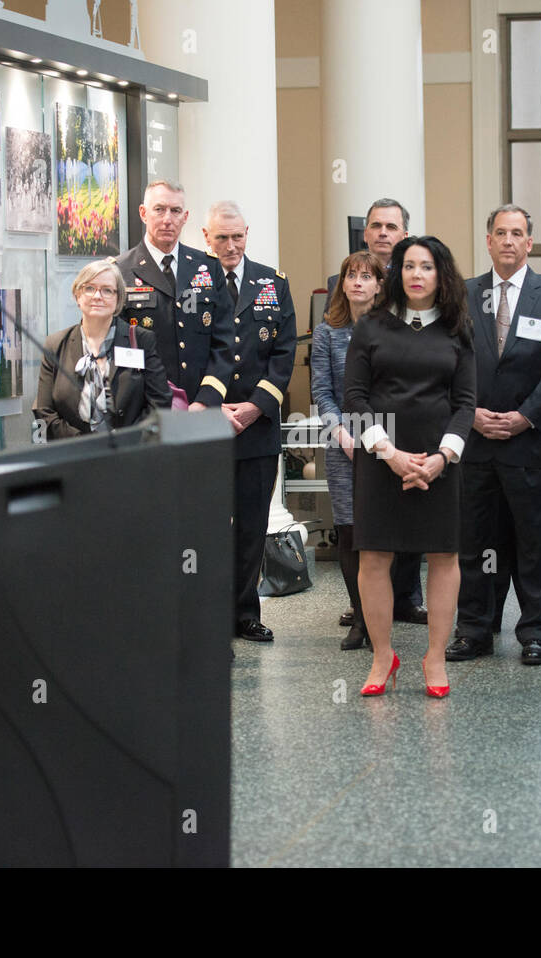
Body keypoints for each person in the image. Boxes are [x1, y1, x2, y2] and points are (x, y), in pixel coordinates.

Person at [344, 236, 475, 698]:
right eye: (409, 266)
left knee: (443, 556)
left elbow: (465, 403)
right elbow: (354, 402)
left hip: (441, 459)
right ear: (397, 273)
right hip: (382, 460)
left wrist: (441, 459)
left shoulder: (458, 328)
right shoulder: (371, 327)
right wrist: (391, 454)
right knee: (375, 555)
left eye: (427, 266)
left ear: (442, 274)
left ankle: (434, 656)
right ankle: (384, 655)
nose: (417, 274)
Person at [446, 204, 541, 666]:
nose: (507, 241)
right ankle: (475, 628)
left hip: (530, 438)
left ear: (529, 243)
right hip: (475, 438)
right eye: (500, 232)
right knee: (476, 540)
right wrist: (470, 414)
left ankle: (537, 630)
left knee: (534, 540)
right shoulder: (463, 294)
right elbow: (453, 363)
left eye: (516, 233)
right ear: (487, 240)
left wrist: (524, 417)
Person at [328, 198, 427, 625]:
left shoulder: (417, 281)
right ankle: (368, 603)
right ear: (365, 232)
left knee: (407, 516)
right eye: (375, 226)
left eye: (391, 226)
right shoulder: (342, 282)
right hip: (355, 421)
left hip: (404, 418)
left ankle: (405, 597)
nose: (383, 233)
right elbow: (332, 381)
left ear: (404, 233)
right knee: (359, 525)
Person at [201, 201, 297, 642]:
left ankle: (245, 613)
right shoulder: (194, 282)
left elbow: (284, 351)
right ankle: (209, 614)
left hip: (257, 427)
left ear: (247, 235)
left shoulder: (272, 283)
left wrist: (257, 405)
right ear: (206, 237)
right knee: (209, 527)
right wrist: (211, 404)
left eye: (237, 236)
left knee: (252, 526)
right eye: (221, 237)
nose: (230, 245)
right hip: (207, 425)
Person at [313, 251, 385, 650]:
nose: (358, 282)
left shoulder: (390, 330)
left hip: (386, 439)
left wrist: (376, 438)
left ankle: (380, 619)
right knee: (350, 531)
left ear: (378, 285)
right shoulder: (328, 332)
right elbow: (322, 391)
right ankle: (359, 618)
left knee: (380, 533)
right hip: (342, 441)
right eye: (351, 276)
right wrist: (342, 434)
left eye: (366, 276)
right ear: (342, 284)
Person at [115, 179, 233, 410]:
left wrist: (205, 400)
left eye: (175, 211)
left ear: (185, 216)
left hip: (200, 408)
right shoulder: (120, 270)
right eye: (159, 209)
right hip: (145, 408)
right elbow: (117, 348)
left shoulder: (208, 267)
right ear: (143, 213)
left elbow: (224, 342)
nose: (167, 219)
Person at [33, 258, 172, 439]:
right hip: (74, 454)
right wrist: (81, 443)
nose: (97, 296)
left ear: (118, 299)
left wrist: (125, 442)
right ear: (77, 296)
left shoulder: (141, 340)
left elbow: (159, 403)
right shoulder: (55, 344)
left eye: (107, 290)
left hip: (129, 455)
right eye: (89, 288)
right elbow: (43, 411)